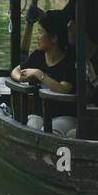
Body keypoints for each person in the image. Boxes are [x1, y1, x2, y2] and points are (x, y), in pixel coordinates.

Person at [11, 8, 78, 136]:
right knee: (31, 127)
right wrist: (22, 78)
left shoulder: (70, 61)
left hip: (66, 117)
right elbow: (15, 71)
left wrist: (39, 75)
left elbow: (63, 90)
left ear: (54, 38)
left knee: (50, 132)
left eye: (41, 32)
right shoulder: (38, 56)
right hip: (40, 115)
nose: (37, 37)